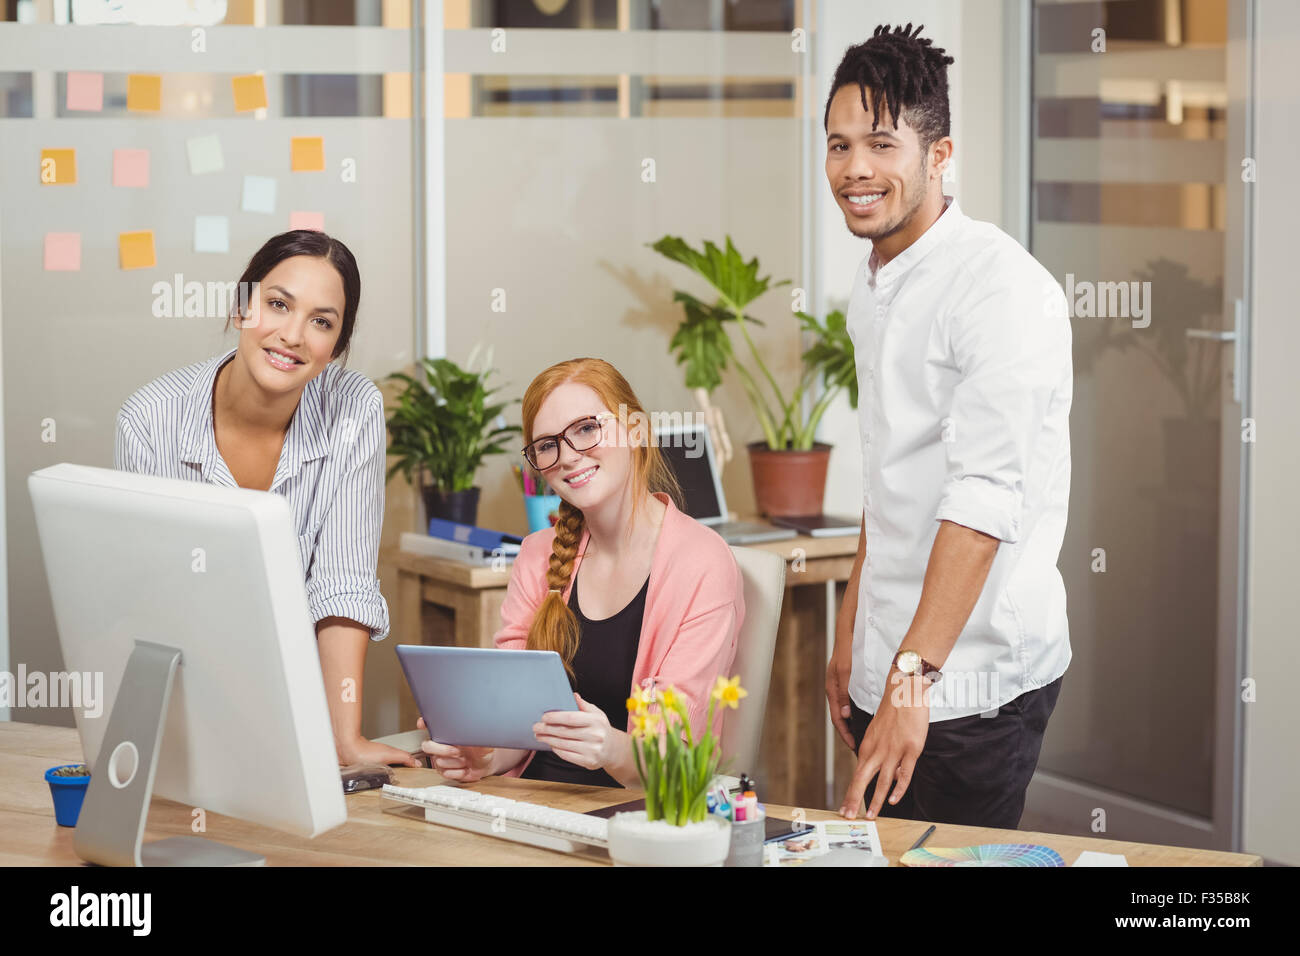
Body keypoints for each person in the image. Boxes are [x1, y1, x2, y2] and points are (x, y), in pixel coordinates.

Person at [822, 24, 1072, 828]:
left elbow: (983, 501)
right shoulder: (873, 286)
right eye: (839, 144)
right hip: (889, 660)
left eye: (882, 143)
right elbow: (885, 478)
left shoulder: (1000, 290)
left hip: (971, 681)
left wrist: (907, 683)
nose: (856, 168)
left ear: (939, 155)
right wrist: (851, 634)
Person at [114, 229, 418, 768]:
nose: (293, 335)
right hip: (179, 709)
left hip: (296, 709)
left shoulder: (354, 411)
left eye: (322, 321)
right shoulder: (150, 420)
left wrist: (341, 737)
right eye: (278, 304)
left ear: (337, 347)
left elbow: (342, 584)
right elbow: (154, 601)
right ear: (241, 308)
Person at [420, 358, 745, 787]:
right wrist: (486, 757)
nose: (568, 457)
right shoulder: (538, 555)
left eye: (586, 428)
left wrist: (611, 748)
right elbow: (520, 719)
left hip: (635, 817)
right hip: (530, 802)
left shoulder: (703, 562)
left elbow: (676, 754)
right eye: (548, 445)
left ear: (636, 430)